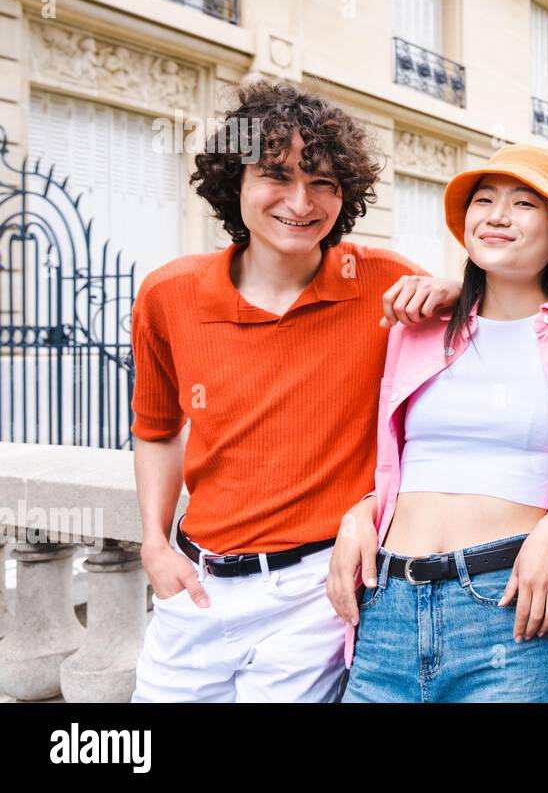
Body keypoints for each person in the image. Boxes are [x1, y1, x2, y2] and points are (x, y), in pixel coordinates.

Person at [130, 82, 453, 702]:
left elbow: (501, 345)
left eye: (324, 182)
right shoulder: (167, 295)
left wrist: (458, 292)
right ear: (235, 183)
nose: (302, 202)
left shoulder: (385, 283)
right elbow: (156, 428)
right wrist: (153, 541)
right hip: (194, 585)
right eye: (276, 175)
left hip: (316, 593)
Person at [328, 145, 548, 702]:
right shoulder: (416, 328)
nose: (497, 215)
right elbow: (396, 461)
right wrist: (361, 513)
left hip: (510, 605)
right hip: (387, 605)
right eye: (484, 200)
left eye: (524, 203)